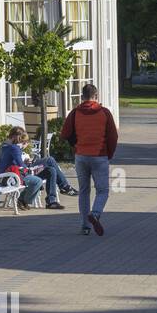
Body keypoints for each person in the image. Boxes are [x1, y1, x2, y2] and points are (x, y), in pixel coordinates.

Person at [60, 83, 119, 236]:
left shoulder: (75, 113)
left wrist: (75, 145)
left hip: (81, 156)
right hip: (99, 156)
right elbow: (113, 136)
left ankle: (85, 225)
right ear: (96, 96)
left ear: (82, 97)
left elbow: (65, 133)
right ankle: (96, 213)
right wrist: (109, 154)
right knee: (102, 190)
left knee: (84, 191)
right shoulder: (104, 113)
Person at [0, 126, 68, 210]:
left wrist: (26, 163)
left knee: (51, 170)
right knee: (49, 161)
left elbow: (14, 161)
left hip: (16, 173)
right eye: (22, 138)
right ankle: (23, 200)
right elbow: (19, 164)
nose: (22, 141)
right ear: (16, 136)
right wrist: (31, 168)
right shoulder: (13, 147)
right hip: (13, 176)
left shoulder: (6, 146)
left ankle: (51, 201)